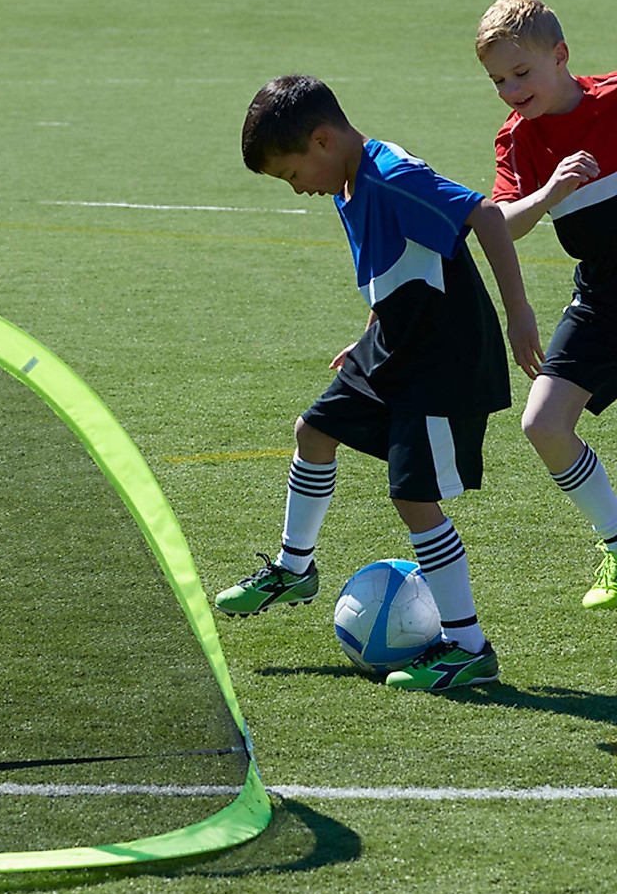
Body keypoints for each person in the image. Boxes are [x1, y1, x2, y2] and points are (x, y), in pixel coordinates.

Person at [214, 75, 543, 691]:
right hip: (392, 344)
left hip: (442, 362)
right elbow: (393, 261)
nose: (297, 189)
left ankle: (469, 648)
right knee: (313, 430)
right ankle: (294, 568)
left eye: (291, 175)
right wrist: (369, 328)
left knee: (414, 498)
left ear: (321, 139)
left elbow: (490, 218)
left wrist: (518, 314)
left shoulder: (392, 175)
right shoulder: (346, 181)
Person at [476, 0, 617, 610]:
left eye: (521, 73)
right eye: (498, 80)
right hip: (603, 296)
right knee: (542, 422)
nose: (510, 89)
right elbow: (500, 223)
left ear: (560, 56)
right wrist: (552, 190)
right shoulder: (520, 141)